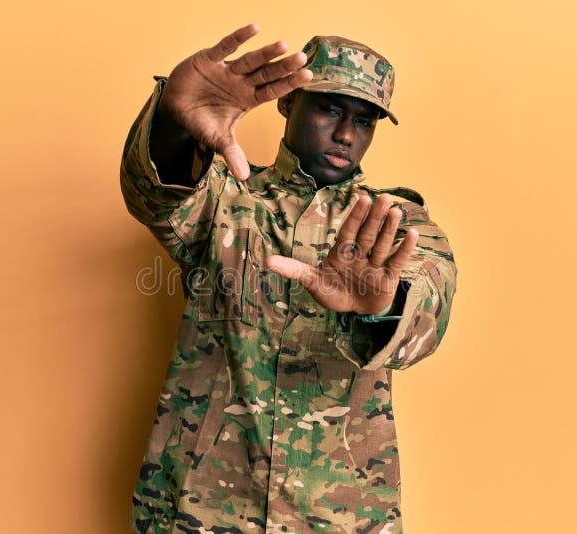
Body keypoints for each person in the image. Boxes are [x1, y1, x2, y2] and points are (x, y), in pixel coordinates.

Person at [120, 23, 457, 534]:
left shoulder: (395, 222)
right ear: (287, 102)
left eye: (365, 121)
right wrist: (173, 122)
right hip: (198, 507)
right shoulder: (225, 199)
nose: (347, 134)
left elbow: (430, 302)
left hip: (338, 514)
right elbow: (157, 193)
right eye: (329, 109)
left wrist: (383, 305)